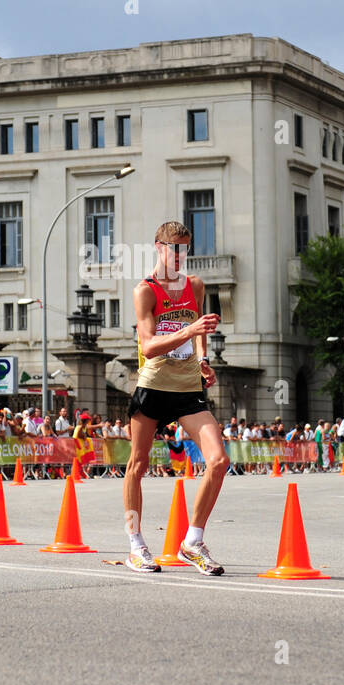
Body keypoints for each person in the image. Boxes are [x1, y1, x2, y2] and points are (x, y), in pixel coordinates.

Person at [122, 220, 228, 575]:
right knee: (138, 466)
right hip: (153, 386)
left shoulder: (194, 286)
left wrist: (202, 359)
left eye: (186, 249)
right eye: (174, 249)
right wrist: (191, 329)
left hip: (187, 388)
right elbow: (149, 347)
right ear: (158, 248)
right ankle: (136, 545)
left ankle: (192, 542)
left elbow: (199, 331)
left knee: (218, 461)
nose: (181, 256)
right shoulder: (146, 291)